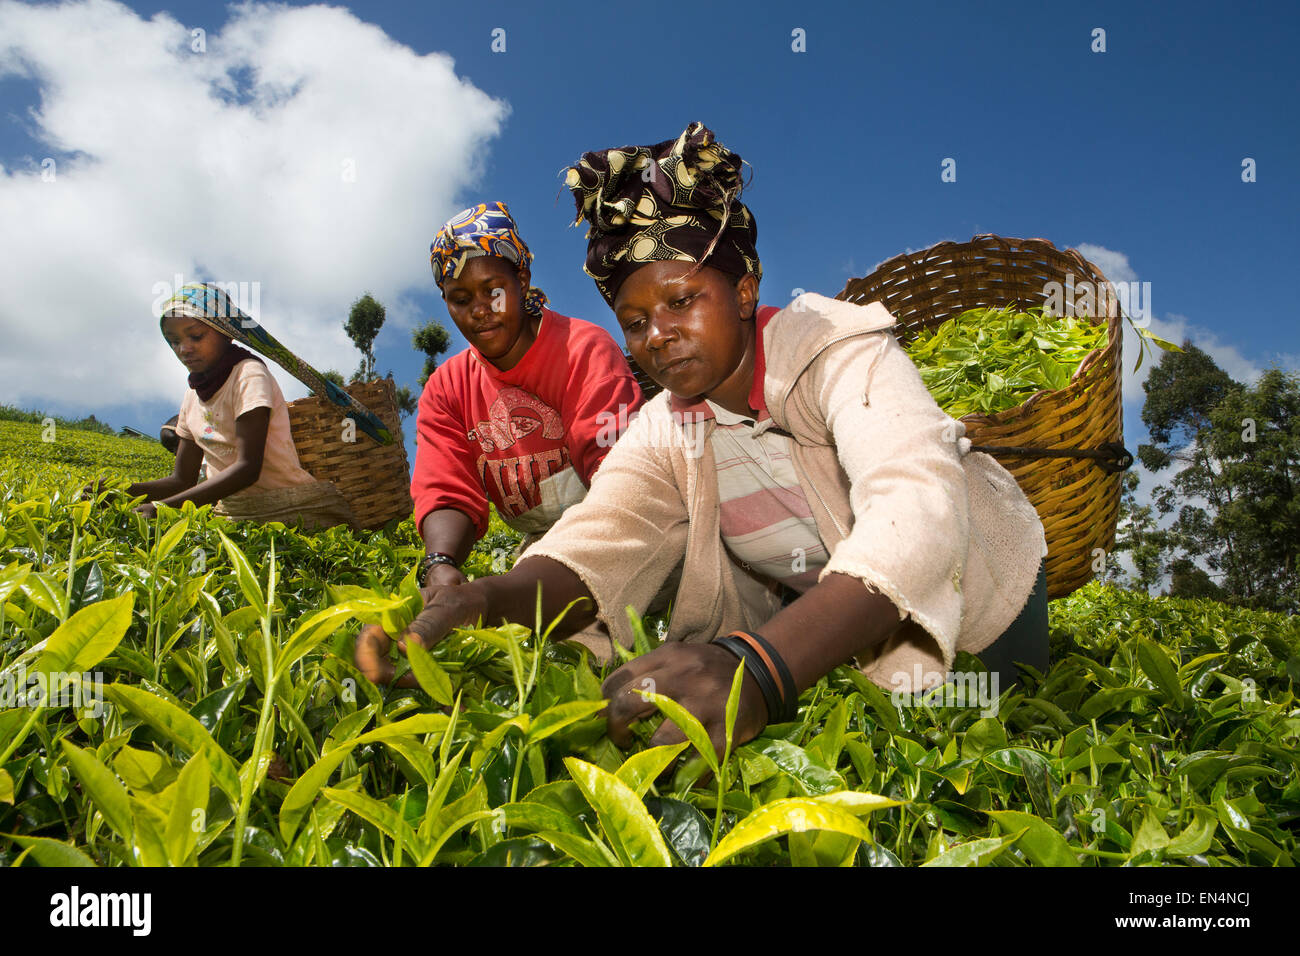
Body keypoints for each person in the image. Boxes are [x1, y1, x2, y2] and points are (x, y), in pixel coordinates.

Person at [358, 126, 1049, 757]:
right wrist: (486, 599)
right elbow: (599, 539)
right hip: (841, 636)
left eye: (682, 301)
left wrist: (760, 667)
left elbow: (917, 509)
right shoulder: (668, 425)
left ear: (744, 290)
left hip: (982, 609)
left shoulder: (835, 351)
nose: (657, 334)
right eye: (635, 320)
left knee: (1004, 742)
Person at [408, 201, 644, 601]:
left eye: (493, 291)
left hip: (624, 526)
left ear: (522, 277)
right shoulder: (447, 389)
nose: (480, 311)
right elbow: (447, 488)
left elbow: (618, 477)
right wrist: (441, 565)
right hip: (539, 547)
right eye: (461, 299)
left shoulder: (582, 350)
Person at [92, 284, 355, 530]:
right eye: (173, 341)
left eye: (196, 335)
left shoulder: (248, 375)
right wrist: (120, 491)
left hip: (292, 507)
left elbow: (247, 469)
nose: (184, 349)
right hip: (235, 515)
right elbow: (181, 480)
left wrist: (161, 509)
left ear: (226, 333)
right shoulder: (192, 397)